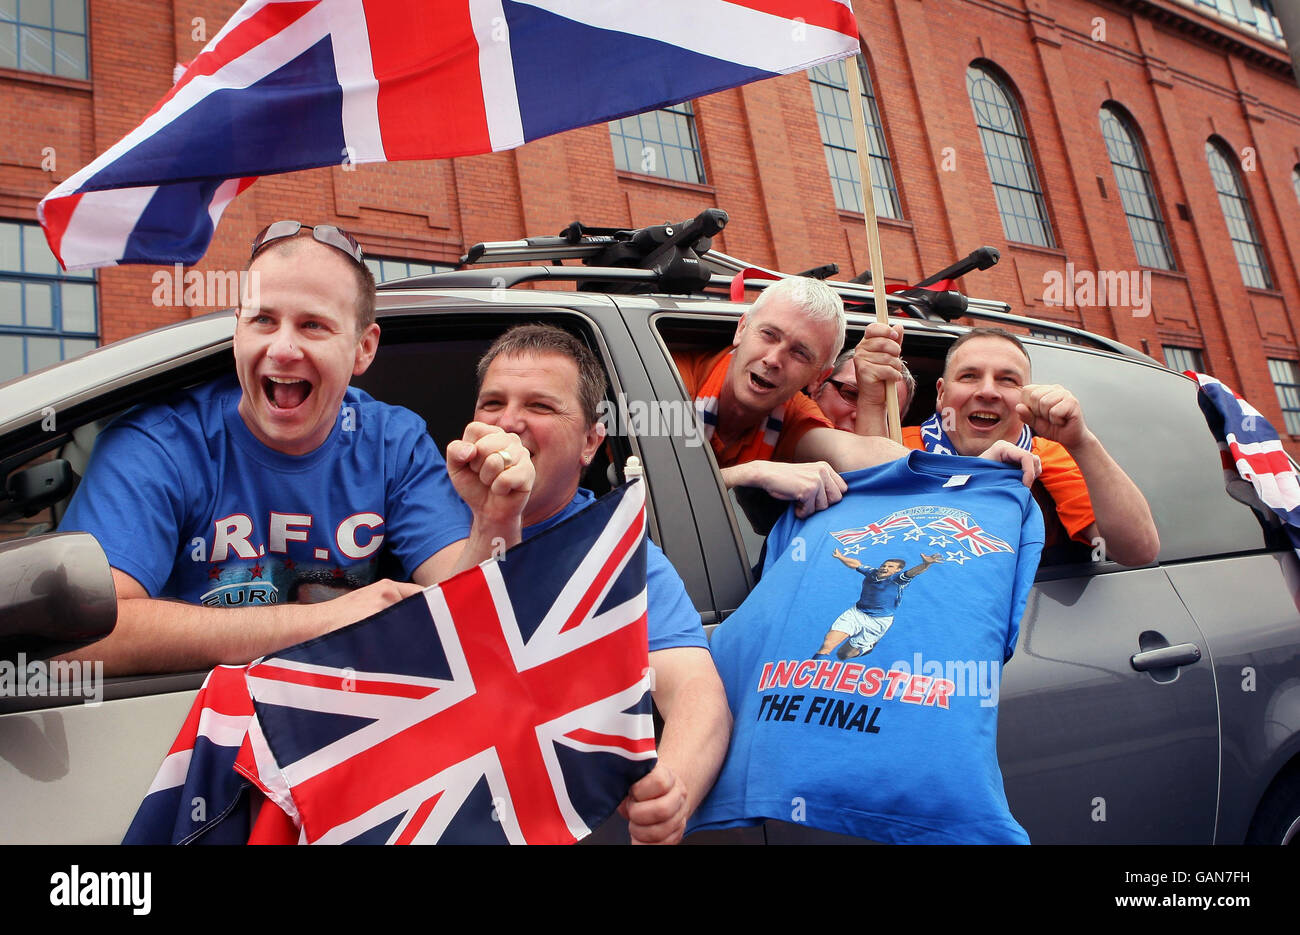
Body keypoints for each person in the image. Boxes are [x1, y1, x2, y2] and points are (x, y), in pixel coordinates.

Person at [58, 221, 532, 676]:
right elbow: (80, 639)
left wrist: (495, 519)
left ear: (364, 349)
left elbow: (472, 613)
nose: (283, 349)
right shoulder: (159, 443)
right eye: (263, 319)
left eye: (313, 326)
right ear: (236, 330)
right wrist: (325, 622)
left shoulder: (393, 442)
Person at [472, 323, 731, 845]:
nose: (509, 422)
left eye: (541, 406)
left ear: (592, 440)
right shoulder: (417, 517)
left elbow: (696, 694)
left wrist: (670, 793)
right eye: (492, 403)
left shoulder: (620, 558)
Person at [672, 277, 1040, 517]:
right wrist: (751, 473)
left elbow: (870, 459)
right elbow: (642, 492)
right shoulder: (663, 380)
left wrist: (974, 467)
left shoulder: (792, 414)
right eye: (768, 335)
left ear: (817, 376)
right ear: (741, 329)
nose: (773, 360)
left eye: (800, 353)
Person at [862, 326, 1159, 566]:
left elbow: (1137, 552)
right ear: (941, 394)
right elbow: (866, 524)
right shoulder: (899, 445)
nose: (988, 391)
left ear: (1028, 396)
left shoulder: (1048, 455)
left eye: (1007, 380)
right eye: (969, 376)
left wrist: (1083, 442)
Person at [813, 550, 941, 659]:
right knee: (828, 644)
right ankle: (814, 668)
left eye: (890, 567)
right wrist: (841, 557)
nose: (885, 567)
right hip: (856, 613)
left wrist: (925, 564)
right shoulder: (871, 573)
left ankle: (867, 647)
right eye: (884, 565)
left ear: (898, 570)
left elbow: (913, 572)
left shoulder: (898, 580)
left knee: (843, 655)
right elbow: (856, 564)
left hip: (878, 622)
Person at [812, 347, 915, 433]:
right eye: (851, 394)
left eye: (884, 412)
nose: (859, 416)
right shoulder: (796, 422)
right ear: (818, 386)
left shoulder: (903, 455)